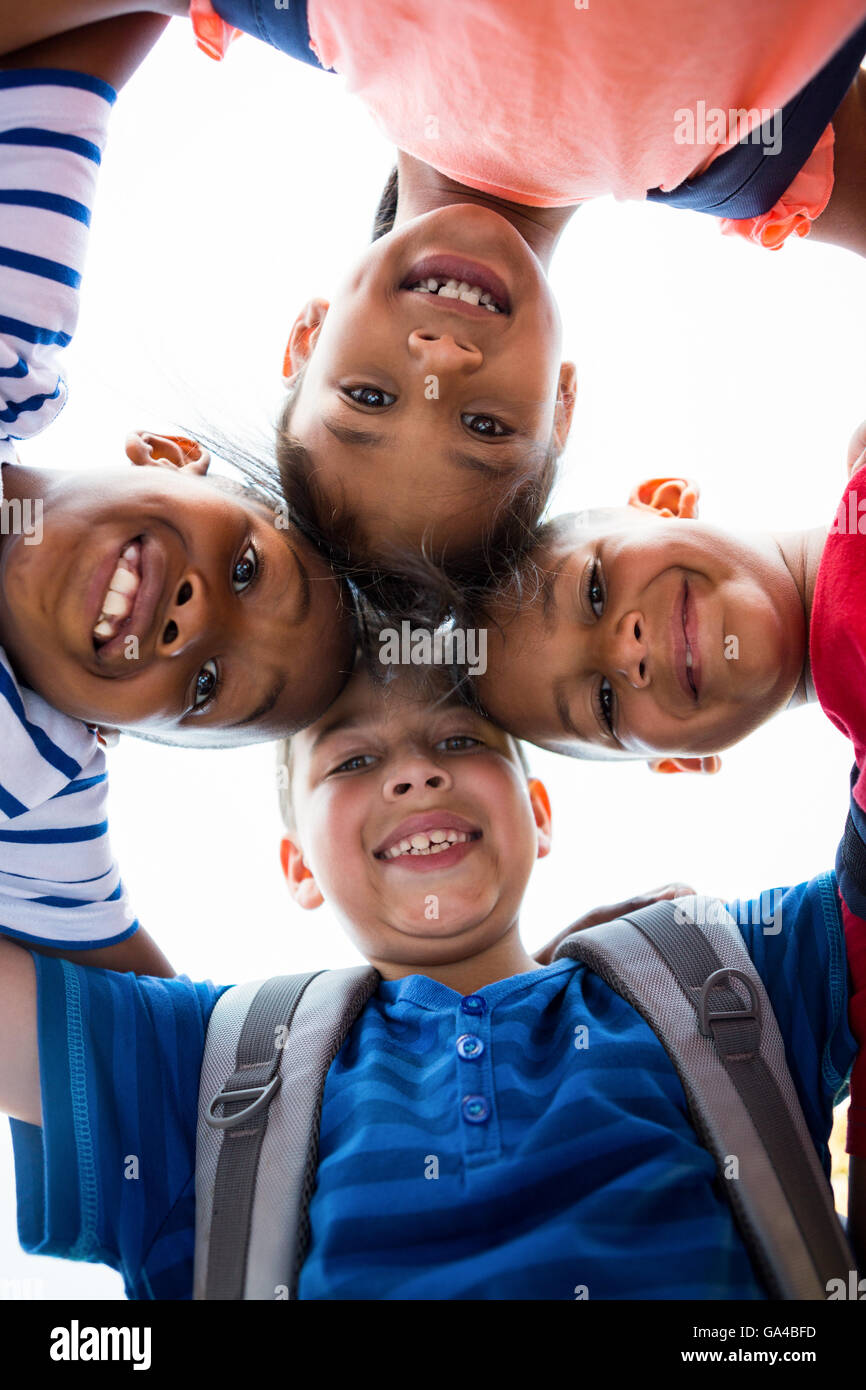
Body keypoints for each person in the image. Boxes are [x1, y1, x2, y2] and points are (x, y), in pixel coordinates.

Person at [0, 663, 855, 1298]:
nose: (414, 773)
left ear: (540, 812)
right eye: (351, 761)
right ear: (299, 866)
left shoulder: (719, 974)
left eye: (459, 740)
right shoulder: (211, 1064)